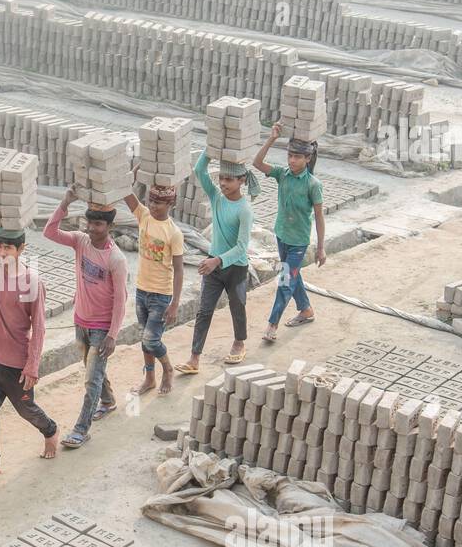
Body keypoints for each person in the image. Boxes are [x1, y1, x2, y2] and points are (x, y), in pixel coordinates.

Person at [0, 207, 58, 484]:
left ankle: (50, 431)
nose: (2, 253)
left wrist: (32, 366)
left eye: (8, 248)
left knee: (27, 410)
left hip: (17, 365)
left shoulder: (31, 282)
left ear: (21, 249)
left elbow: (39, 327)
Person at [44, 187, 128, 448]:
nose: (92, 228)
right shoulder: (80, 241)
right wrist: (65, 203)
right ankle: (109, 401)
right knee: (93, 370)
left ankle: (81, 430)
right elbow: (49, 232)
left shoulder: (116, 258)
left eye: (99, 224)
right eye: (90, 222)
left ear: (110, 226)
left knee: (91, 379)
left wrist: (113, 335)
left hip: (102, 328)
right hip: (81, 322)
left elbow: (121, 300)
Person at [175, 151, 255, 373]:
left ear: (242, 180)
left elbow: (241, 247)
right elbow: (199, 170)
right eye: (221, 178)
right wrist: (211, 149)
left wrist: (217, 261)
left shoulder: (245, 210)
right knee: (204, 311)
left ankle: (239, 343)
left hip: (236, 267)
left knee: (237, 305)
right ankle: (194, 358)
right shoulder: (217, 198)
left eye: (229, 179)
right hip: (214, 264)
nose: (222, 183)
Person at [251, 123, 326, 343]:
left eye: (297, 157)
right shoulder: (282, 175)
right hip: (281, 235)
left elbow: (320, 218)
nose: (292, 160)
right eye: (290, 155)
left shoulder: (313, 184)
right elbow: (257, 163)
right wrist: (272, 138)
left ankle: (272, 325)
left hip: (298, 242)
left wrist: (320, 248)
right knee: (292, 276)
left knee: (285, 281)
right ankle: (306, 310)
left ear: (308, 159)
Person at [122, 177, 184, 395]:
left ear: (170, 204)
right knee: (144, 339)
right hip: (142, 291)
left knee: (151, 339)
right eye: (151, 200)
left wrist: (175, 302)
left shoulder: (174, 233)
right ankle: (149, 378)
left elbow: (179, 269)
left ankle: (167, 368)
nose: (153, 205)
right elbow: (125, 193)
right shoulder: (144, 216)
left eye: (158, 202)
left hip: (161, 294)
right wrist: (132, 172)